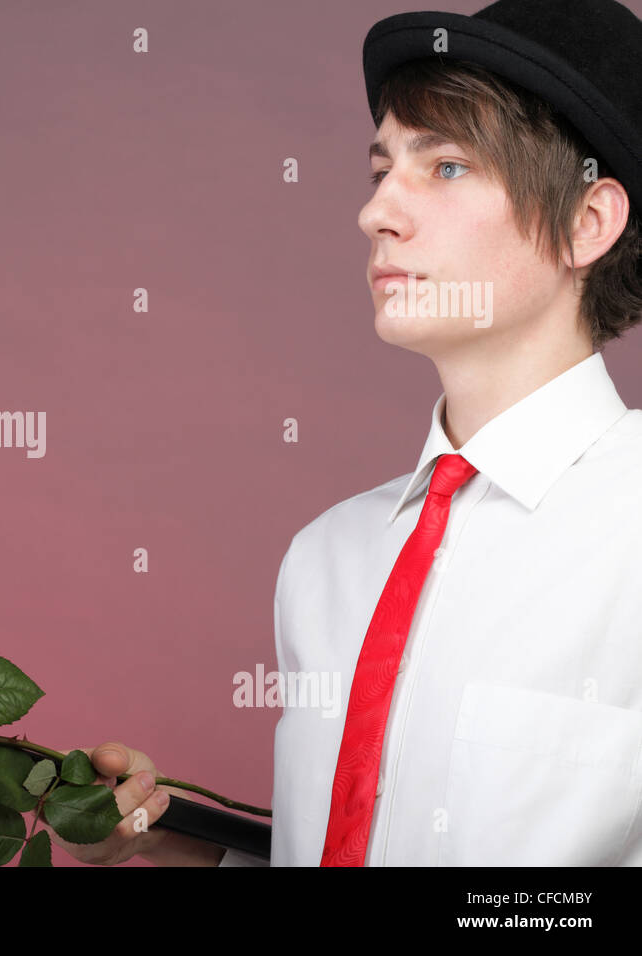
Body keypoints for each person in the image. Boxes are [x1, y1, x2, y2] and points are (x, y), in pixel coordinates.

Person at [40, 0, 642, 865]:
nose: (377, 215)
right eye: (379, 171)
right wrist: (170, 850)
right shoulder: (327, 560)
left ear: (588, 222)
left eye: (444, 167)